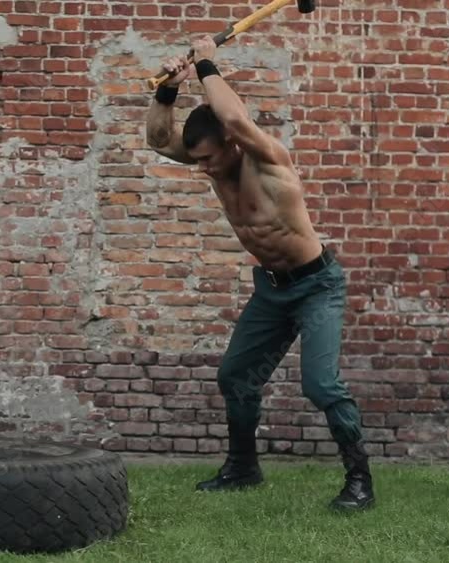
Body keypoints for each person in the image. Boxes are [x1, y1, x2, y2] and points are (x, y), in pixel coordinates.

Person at [144, 36, 374, 511]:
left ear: (232, 144)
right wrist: (168, 88)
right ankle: (243, 469)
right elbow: (159, 140)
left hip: (317, 284)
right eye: (199, 160)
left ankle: (359, 481)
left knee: (320, 385)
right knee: (235, 376)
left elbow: (232, 117)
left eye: (208, 158)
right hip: (271, 288)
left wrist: (206, 60)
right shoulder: (214, 161)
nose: (203, 169)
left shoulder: (268, 159)